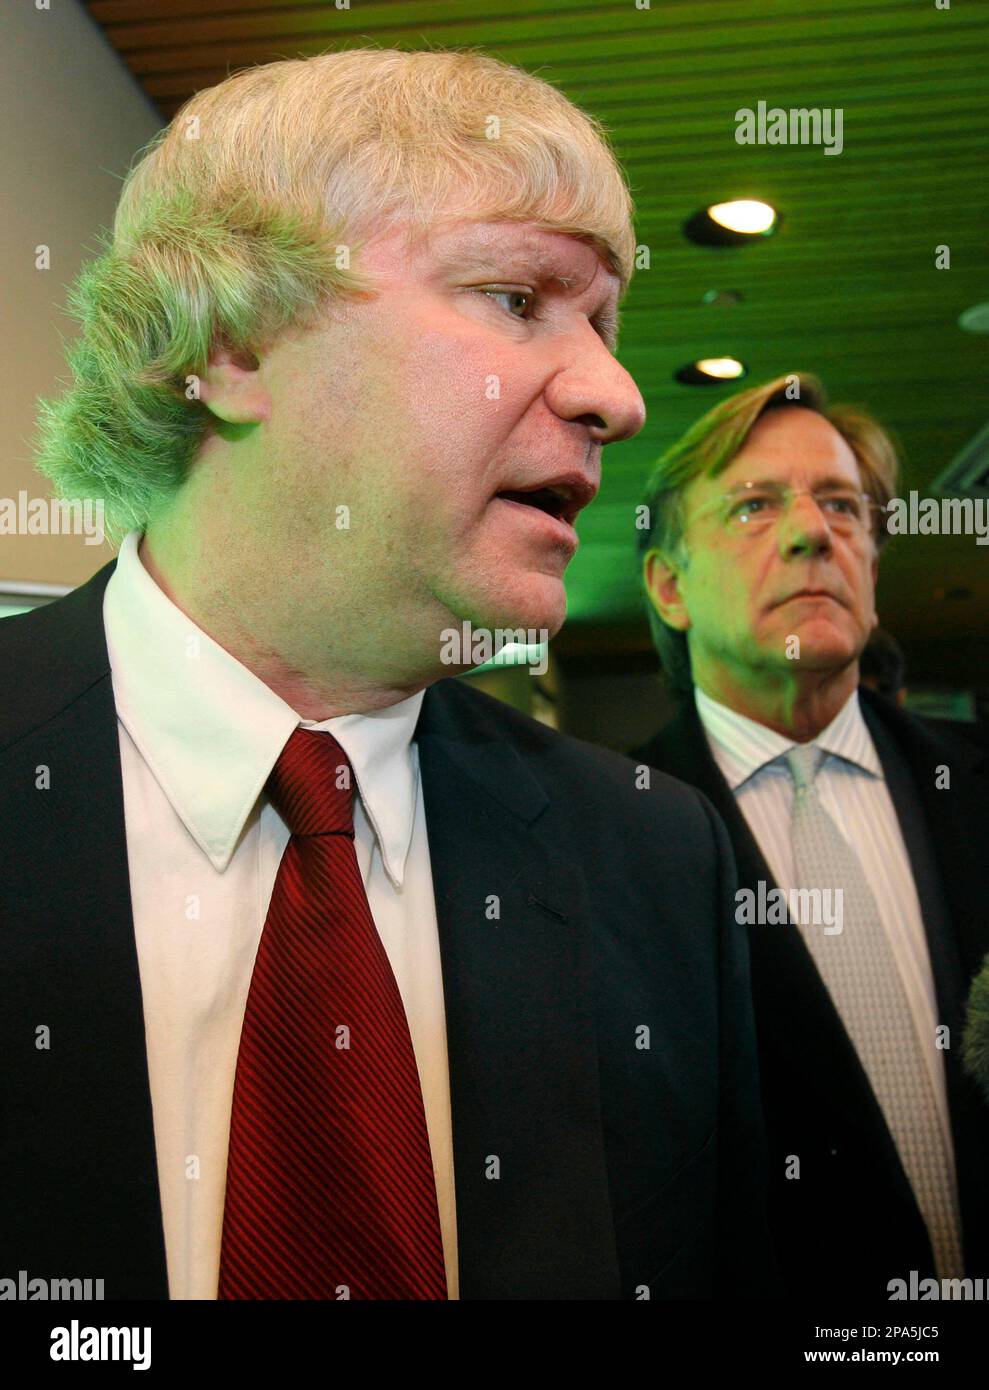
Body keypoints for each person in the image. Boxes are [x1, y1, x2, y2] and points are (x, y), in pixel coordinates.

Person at [0, 47, 772, 1301]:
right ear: (236, 342)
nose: (616, 395)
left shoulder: (651, 858)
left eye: (604, 321)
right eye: (517, 296)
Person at [631, 372, 989, 1299]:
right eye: (753, 506)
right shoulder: (606, 840)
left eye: (841, 505)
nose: (809, 532)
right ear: (668, 586)